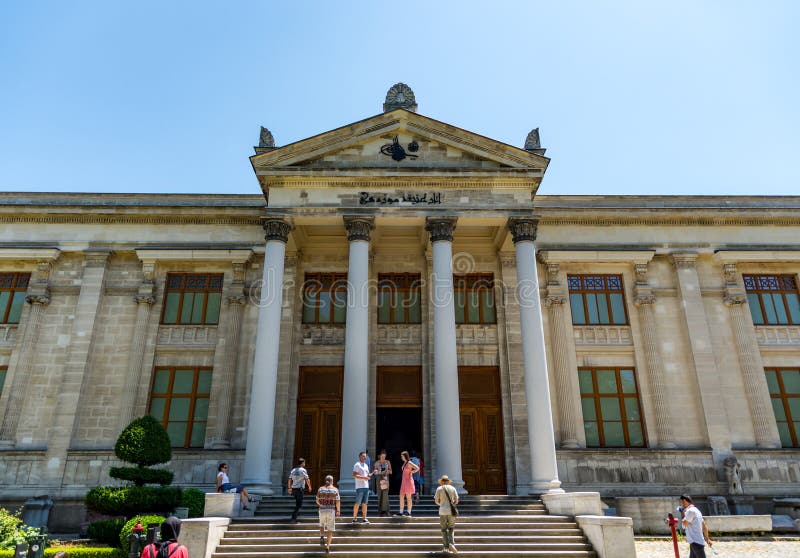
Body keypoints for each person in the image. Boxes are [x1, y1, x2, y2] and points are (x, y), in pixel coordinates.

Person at [434, 474, 459, 554]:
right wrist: (452, 504)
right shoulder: (453, 488)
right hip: (451, 511)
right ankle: (451, 544)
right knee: (451, 528)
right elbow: (456, 500)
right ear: (448, 481)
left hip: (442, 511)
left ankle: (445, 547)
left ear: (441, 482)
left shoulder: (439, 488)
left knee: (444, 529)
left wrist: (441, 504)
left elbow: (436, 501)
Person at [316, 475, 340, 554]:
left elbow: (317, 500)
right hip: (331, 510)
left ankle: (322, 536)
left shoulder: (321, 489)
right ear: (332, 481)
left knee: (322, 524)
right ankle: (327, 547)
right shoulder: (335, 490)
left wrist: (320, 505)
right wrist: (338, 510)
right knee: (330, 529)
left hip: (322, 509)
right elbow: (337, 501)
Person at [288, 457, 312, 522]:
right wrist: (309, 486)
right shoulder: (303, 470)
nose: (305, 464)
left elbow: (289, 479)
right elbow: (307, 479)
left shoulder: (293, 470)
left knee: (297, 503)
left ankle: (295, 516)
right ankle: (293, 518)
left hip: (294, 489)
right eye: (304, 462)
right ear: (302, 463)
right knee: (299, 504)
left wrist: (289, 488)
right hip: (299, 489)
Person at [351, 451, 372, 524]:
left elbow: (367, 475)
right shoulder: (357, 464)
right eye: (363, 456)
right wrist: (364, 478)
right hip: (359, 487)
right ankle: (354, 519)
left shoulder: (366, 465)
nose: (365, 457)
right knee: (357, 503)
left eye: (365, 456)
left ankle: (364, 518)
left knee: (365, 503)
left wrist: (371, 474)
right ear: (360, 457)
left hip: (366, 487)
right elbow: (354, 475)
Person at [397, 450, 419, 517]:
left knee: (408, 497)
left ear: (405, 456)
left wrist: (412, 472)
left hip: (408, 481)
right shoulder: (405, 463)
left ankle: (409, 512)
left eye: (402, 456)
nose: (401, 457)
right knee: (401, 496)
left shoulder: (409, 462)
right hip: (404, 482)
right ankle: (401, 512)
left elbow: (417, 468)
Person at [373, 450, 393, 516]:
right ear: (379, 456)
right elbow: (374, 472)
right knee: (380, 495)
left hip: (385, 479)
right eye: (382, 456)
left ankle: (386, 510)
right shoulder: (377, 463)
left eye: (384, 456)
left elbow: (391, 472)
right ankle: (380, 511)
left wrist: (386, 471)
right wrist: (380, 472)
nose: (383, 458)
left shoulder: (388, 462)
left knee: (385, 495)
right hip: (379, 479)